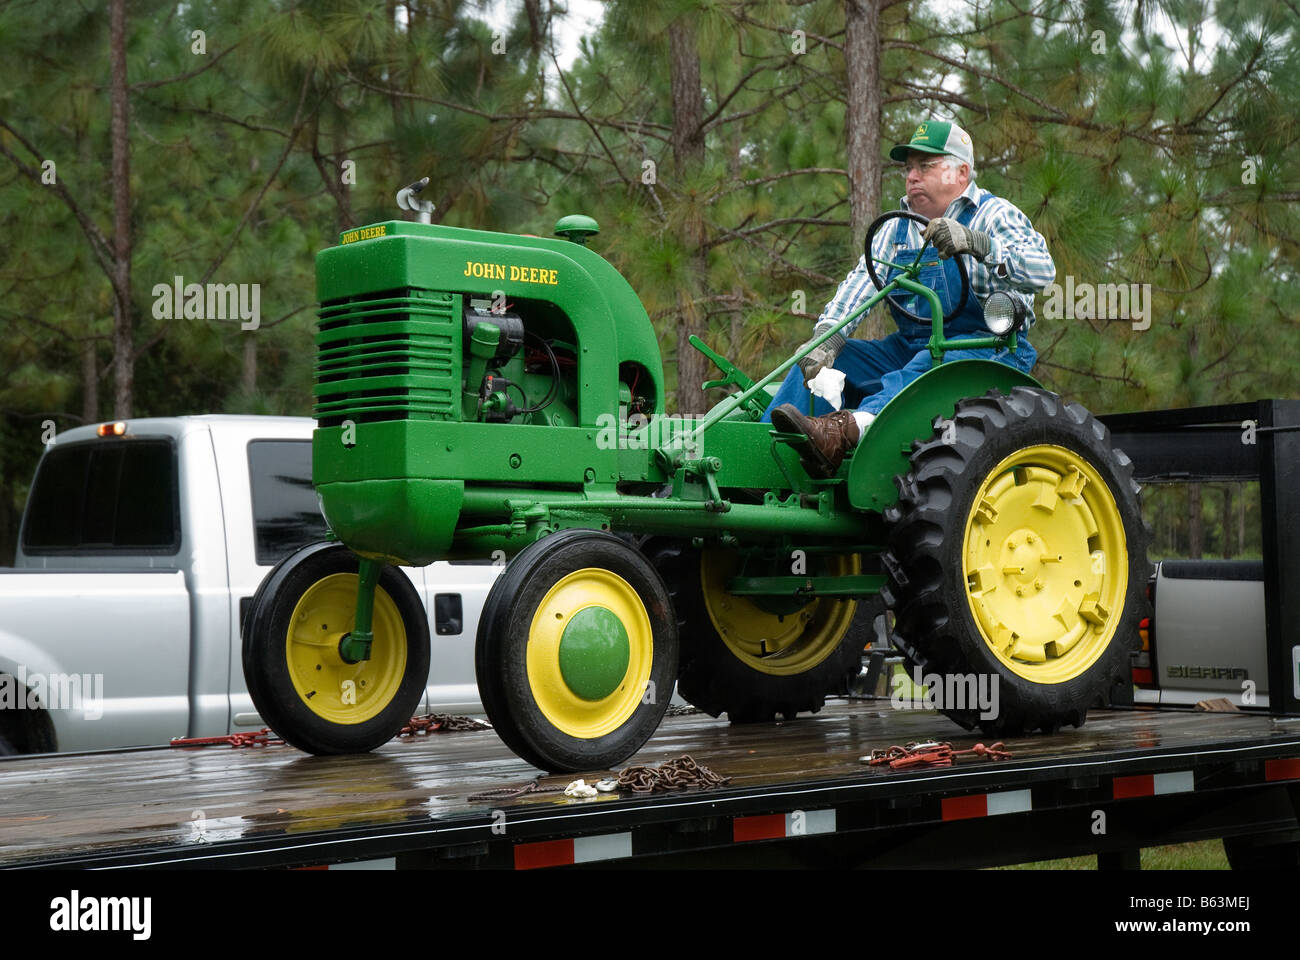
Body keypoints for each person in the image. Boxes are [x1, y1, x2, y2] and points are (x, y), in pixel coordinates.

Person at [764, 119, 1056, 478]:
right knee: (823, 361)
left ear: (961, 172)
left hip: (988, 349)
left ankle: (841, 433)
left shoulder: (995, 215)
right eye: (909, 168)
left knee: (923, 367)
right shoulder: (895, 229)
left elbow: (1042, 272)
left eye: (926, 166)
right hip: (913, 348)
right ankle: (760, 453)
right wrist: (828, 338)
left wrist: (978, 244)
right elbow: (859, 287)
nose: (912, 176)